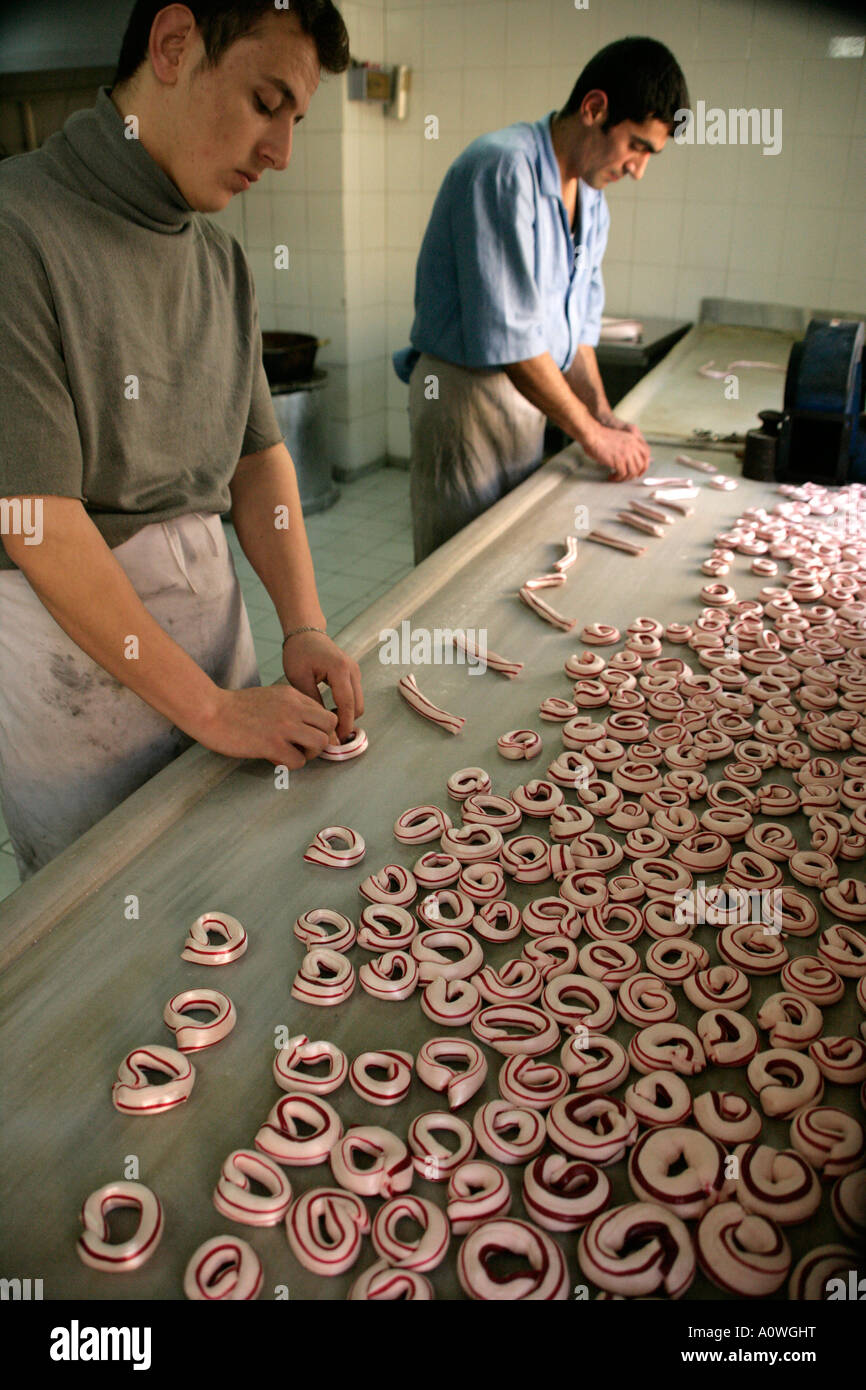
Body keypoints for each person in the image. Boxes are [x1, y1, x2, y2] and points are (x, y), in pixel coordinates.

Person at [0, 0, 363, 880]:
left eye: (295, 120)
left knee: (240, 890)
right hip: (75, 682)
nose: (280, 152)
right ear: (173, 45)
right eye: (265, 102)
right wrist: (208, 708)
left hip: (215, 654)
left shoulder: (218, 260)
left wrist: (304, 626)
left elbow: (256, 460)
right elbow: (35, 517)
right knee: (116, 945)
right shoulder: (18, 231)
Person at [393, 36, 690, 563]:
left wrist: (601, 413)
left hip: (529, 397)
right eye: (637, 146)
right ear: (595, 108)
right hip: (467, 400)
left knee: (511, 557)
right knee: (457, 567)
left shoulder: (592, 201)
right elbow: (510, 341)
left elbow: (575, 334)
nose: (639, 169)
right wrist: (591, 437)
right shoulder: (502, 169)